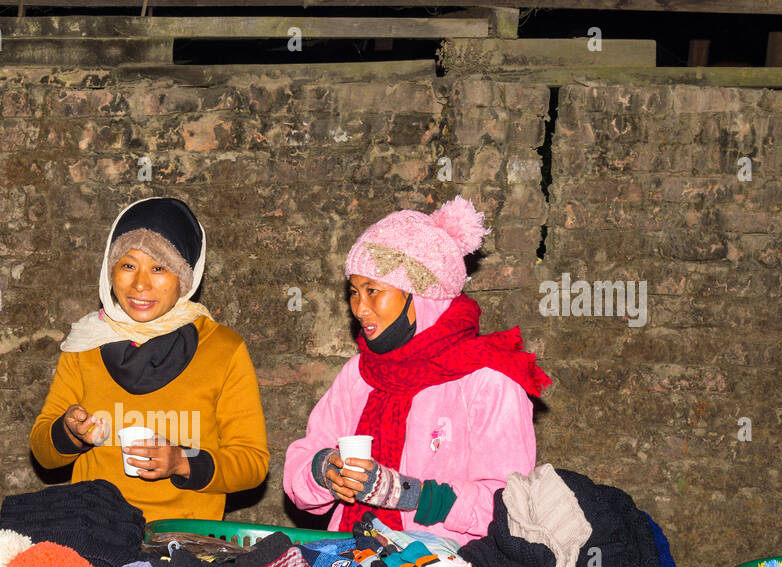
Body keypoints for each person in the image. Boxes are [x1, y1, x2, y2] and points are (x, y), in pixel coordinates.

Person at [283, 196, 551, 545]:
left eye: (373, 291)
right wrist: (324, 470)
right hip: (350, 559)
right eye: (354, 292)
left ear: (420, 294)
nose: (360, 309)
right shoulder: (360, 374)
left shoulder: (488, 380)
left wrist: (406, 494)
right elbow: (301, 466)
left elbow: (509, 507)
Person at [29, 197, 268, 523]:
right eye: (128, 265)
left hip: (184, 544)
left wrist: (182, 461)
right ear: (109, 269)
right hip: (95, 533)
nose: (140, 284)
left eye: (159, 268)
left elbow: (252, 463)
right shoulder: (86, 344)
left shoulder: (223, 349)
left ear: (185, 277)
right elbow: (43, 453)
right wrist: (70, 432)